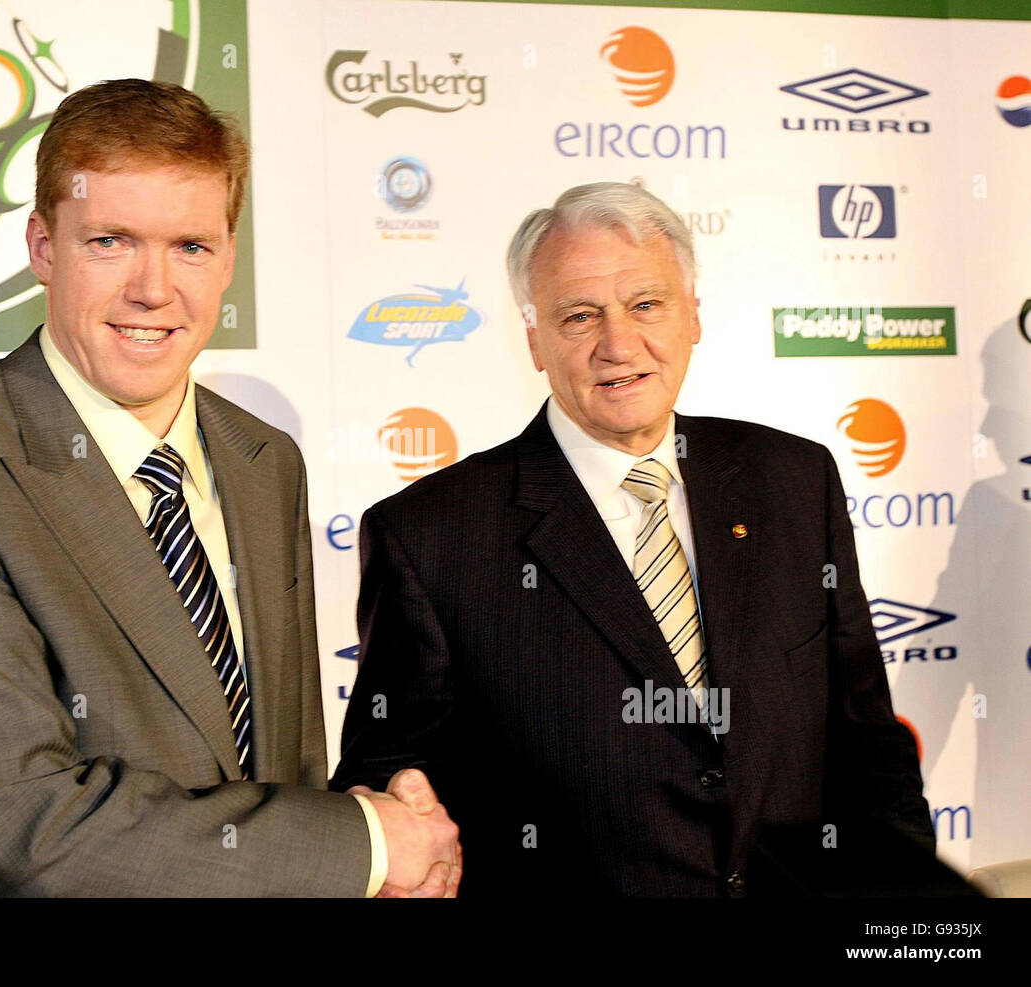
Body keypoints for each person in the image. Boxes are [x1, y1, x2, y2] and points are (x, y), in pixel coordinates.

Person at [0, 79, 458, 897]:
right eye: (111, 242)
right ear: (44, 247)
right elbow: (31, 830)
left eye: (191, 247)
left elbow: (281, 772)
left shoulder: (263, 458)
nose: (154, 290)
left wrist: (367, 836)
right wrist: (367, 844)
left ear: (229, 256)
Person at [331, 181, 933, 896]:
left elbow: (867, 738)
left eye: (646, 304)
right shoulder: (430, 536)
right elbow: (391, 785)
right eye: (580, 316)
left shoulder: (794, 480)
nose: (618, 344)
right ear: (534, 339)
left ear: (693, 316)